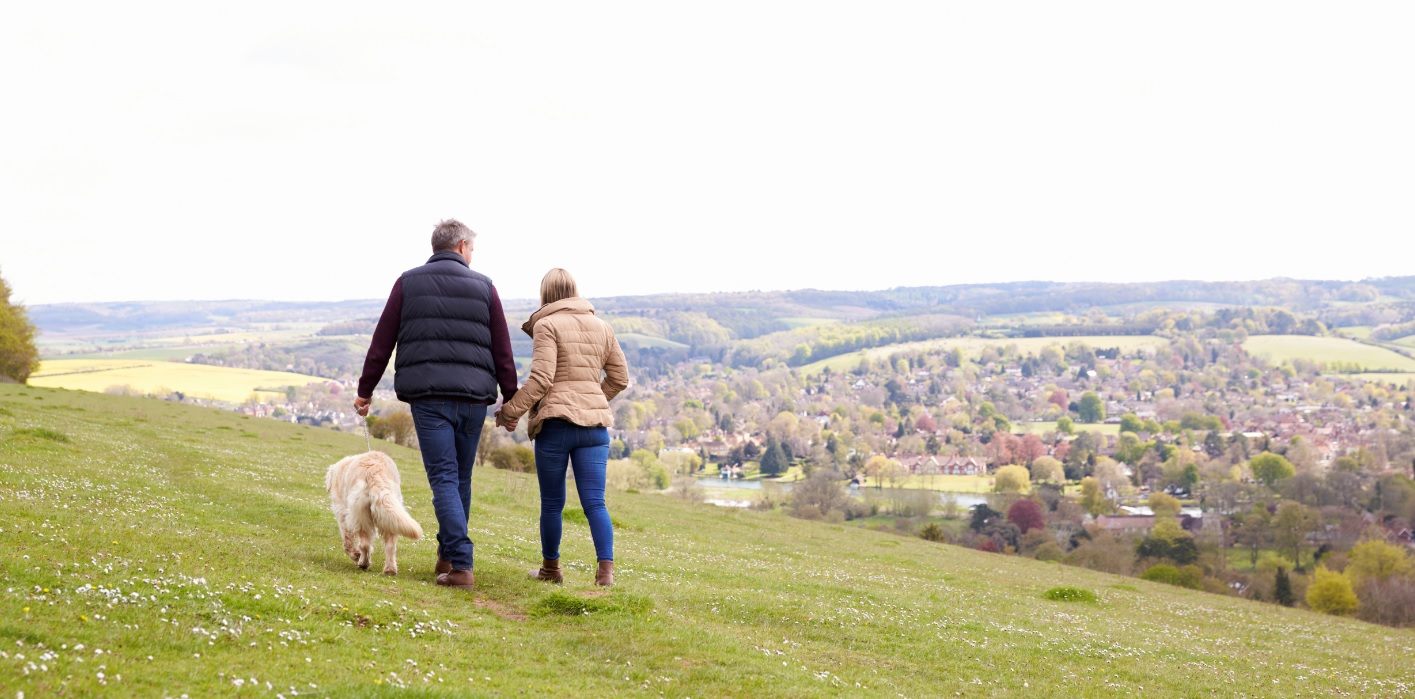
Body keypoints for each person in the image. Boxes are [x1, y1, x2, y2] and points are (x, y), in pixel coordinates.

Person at [354, 219, 518, 592]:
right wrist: (511, 397)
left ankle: (460, 563)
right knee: (459, 478)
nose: (472, 256)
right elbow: (502, 349)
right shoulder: (485, 287)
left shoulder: (407, 283)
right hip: (474, 399)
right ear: (462, 246)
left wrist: (365, 391)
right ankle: (447, 556)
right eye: (472, 249)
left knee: (444, 478)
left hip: (429, 399)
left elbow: (382, 342)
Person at [496, 268, 629, 586]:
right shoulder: (602, 327)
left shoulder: (547, 324)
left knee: (553, 502)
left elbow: (541, 379)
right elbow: (620, 378)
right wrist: (593, 399)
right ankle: (606, 572)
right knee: (595, 502)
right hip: (595, 427)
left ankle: (551, 569)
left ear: (545, 295)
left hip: (556, 426)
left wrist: (511, 411)